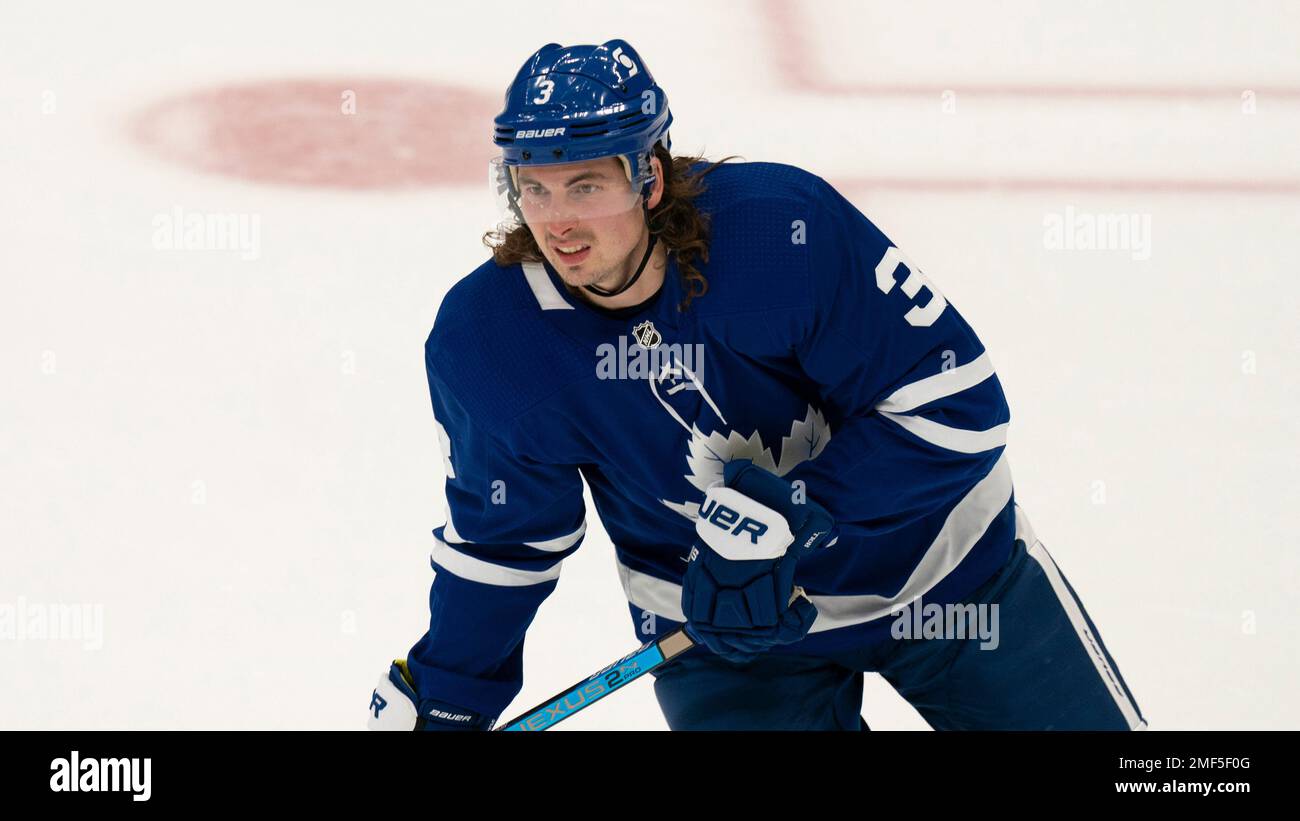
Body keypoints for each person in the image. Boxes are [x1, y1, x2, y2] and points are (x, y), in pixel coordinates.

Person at [366, 39, 1146, 731]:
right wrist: (447, 696)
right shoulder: (490, 339)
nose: (557, 222)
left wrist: (799, 514)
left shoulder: (781, 233)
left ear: (649, 178)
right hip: (725, 633)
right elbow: (509, 542)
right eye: (533, 188)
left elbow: (957, 409)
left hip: (941, 573)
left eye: (585, 187)